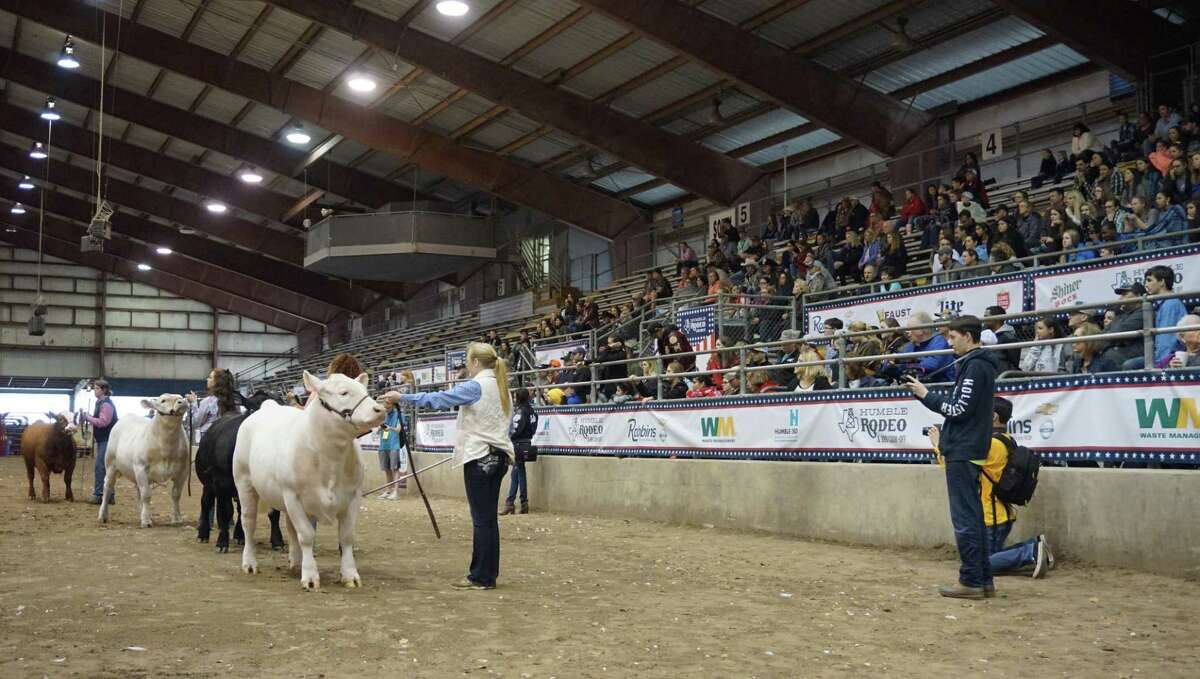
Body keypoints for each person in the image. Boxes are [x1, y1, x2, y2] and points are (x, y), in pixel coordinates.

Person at [389, 342, 514, 590]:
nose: (467, 366)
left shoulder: (476, 385)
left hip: (480, 458)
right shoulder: (502, 388)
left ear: (476, 363)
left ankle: (481, 576)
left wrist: (403, 396)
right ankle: (485, 573)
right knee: (488, 520)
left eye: (468, 361)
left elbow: (439, 398)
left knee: (482, 520)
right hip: (499, 456)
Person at [904, 315, 1000, 599]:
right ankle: (982, 580)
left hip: (963, 448)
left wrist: (925, 395)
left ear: (968, 337)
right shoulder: (979, 365)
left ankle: (971, 580)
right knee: (973, 516)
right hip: (971, 447)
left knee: (965, 518)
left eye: (953, 337)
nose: (949, 342)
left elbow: (958, 409)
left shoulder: (975, 366)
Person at [929, 397, 1053, 578]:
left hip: (991, 518)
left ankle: (1030, 552)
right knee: (988, 557)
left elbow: (955, 466)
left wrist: (938, 445)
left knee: (978, 565)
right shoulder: (1004, 439)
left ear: (993, 416)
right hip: (999, 515)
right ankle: (1035, 545)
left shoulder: (990, 445)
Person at [1124, 265, 1187, 369]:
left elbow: (1166, 342)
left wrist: (1160, 366)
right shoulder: (1164, 303)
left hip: (1168, 358)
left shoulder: (1170, 304)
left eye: (1149, 280)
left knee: (1129, 366)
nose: (1146, 284)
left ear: (1162, 282)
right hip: (1161, 355)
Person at [502, 388, 537, 516]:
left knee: (517, 472)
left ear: (519, 398)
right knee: (517, 472)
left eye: (516, 397)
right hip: (527, 442)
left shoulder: (521, 411)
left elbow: (517, 428)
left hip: (518, 444)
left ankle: (512, 502)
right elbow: (533, 428)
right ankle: (521, 503)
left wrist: (509, 437)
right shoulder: (532, 411)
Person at [84, 379, 118, 505]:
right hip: (104, 439)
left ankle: (99, 494)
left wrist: (88, 418)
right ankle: (109, 495)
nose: (95, 391)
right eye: (94, 388)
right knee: (105, 467)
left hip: (106, 440)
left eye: (97, 388)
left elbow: (104, 422)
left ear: (103, 390)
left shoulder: (106, 405)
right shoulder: (101, 403)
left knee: (101, 467)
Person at [185, 368, 239, 443]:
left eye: (210, 377)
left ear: (216, 382)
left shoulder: (208, 402)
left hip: (209, 440)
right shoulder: (234, 402)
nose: (207, 379)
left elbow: (195, 423)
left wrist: (193, 403)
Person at [377, 400, 407, 501]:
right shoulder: (383, 415)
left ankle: (396, 492)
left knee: (395, 469)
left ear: (393, 405)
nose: (386, 407)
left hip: (394, 444)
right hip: (383, 445)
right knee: (387, 469)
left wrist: (389, 428)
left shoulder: (399, 414)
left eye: (388, 405)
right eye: (385, 406)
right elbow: (377, 431)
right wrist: (380, 428)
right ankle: (389, 490)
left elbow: (398, 430)